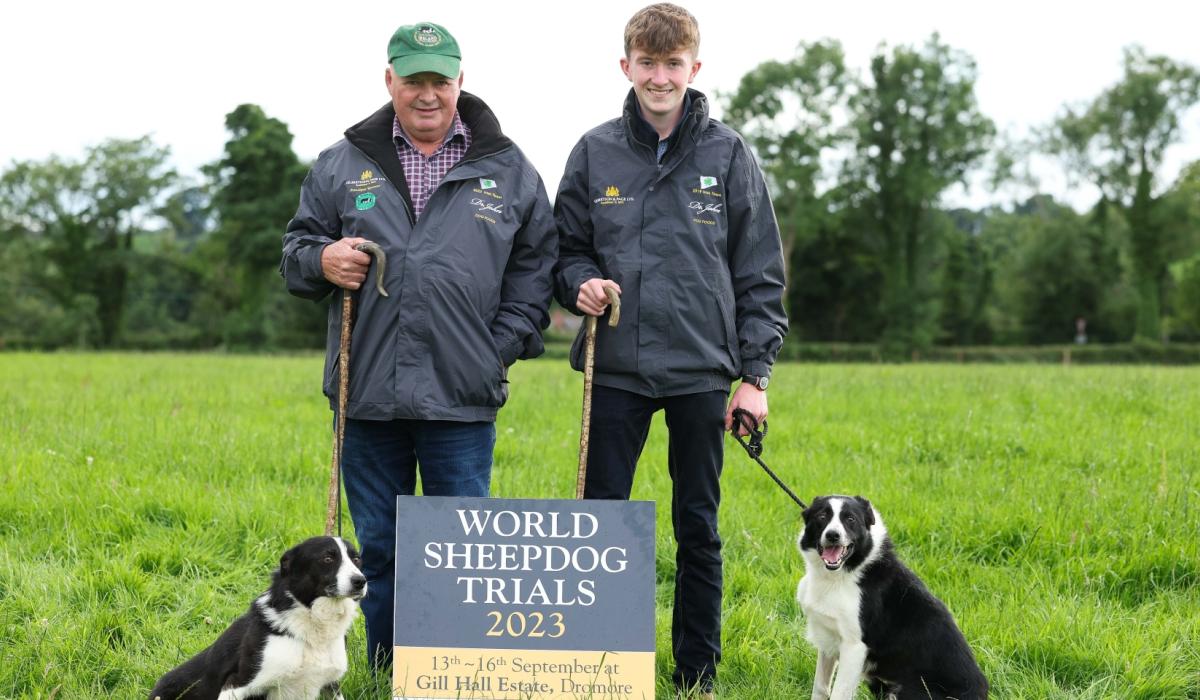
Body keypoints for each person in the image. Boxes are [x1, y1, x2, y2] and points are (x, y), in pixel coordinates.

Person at [280, 21, 556, 668]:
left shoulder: (509, 169)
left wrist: (500, 346)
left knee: (463, 546)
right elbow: (294, 252)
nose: (427, 93)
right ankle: (385, 672)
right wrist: (322, 259)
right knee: (378, 547)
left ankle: (455, 672)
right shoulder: (342, 162)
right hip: (367, 391)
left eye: (440, 80)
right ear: (389, 82)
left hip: (463, 394)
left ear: (460, 82)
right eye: (413, 80)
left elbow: (537, 267)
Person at [552, 4, 788, 697]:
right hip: (616, 368)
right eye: (647, 64)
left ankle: (697, 677)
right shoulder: (594, 151)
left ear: (694, 69)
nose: (659, 77)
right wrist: (579, 286)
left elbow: (760, 272)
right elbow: (564, 250)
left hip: (701, 371)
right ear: (626, 67)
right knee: (599, 526)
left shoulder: (729, 153)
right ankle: (596, 669)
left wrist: (756, 376)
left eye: (672, 64)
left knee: (699, 530)